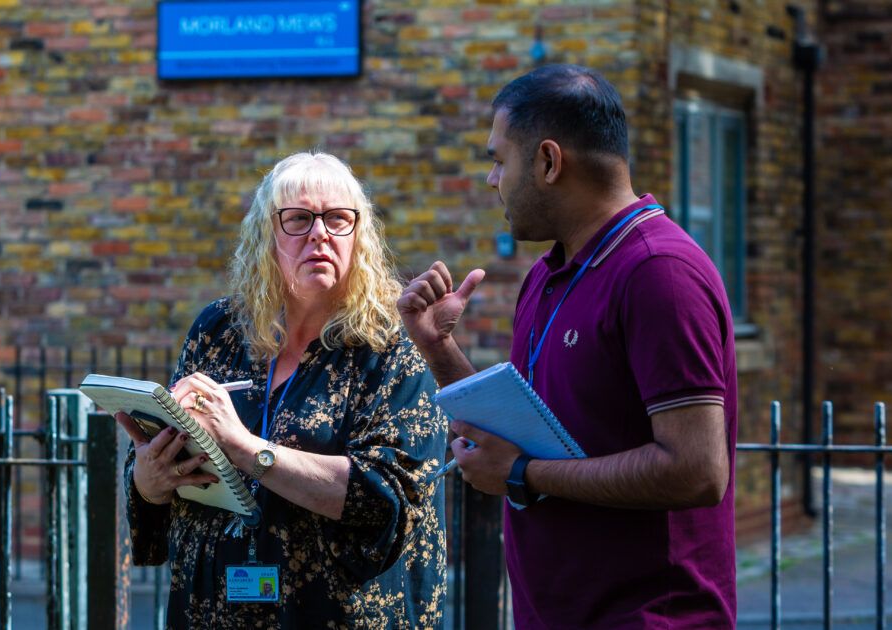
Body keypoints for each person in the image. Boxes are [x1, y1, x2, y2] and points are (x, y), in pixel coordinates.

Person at [398, 64, 738, 628]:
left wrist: (524, 474)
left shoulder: (659, 273)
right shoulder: (548, 275)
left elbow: (698, 470)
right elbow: (528, 436)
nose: (492, 181)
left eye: (498, 160)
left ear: (549, 162)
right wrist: (438, 349)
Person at [117, 151, 448, 628]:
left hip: (334, 614)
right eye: (298, 219)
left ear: (360, 237)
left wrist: (246, 448)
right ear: (266, 238)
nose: (320, 233)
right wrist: (149, 480)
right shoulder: (219, 329)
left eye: (338, 219)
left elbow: (390, 497)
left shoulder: (390, 345)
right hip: (214, 607)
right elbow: (157, 469)